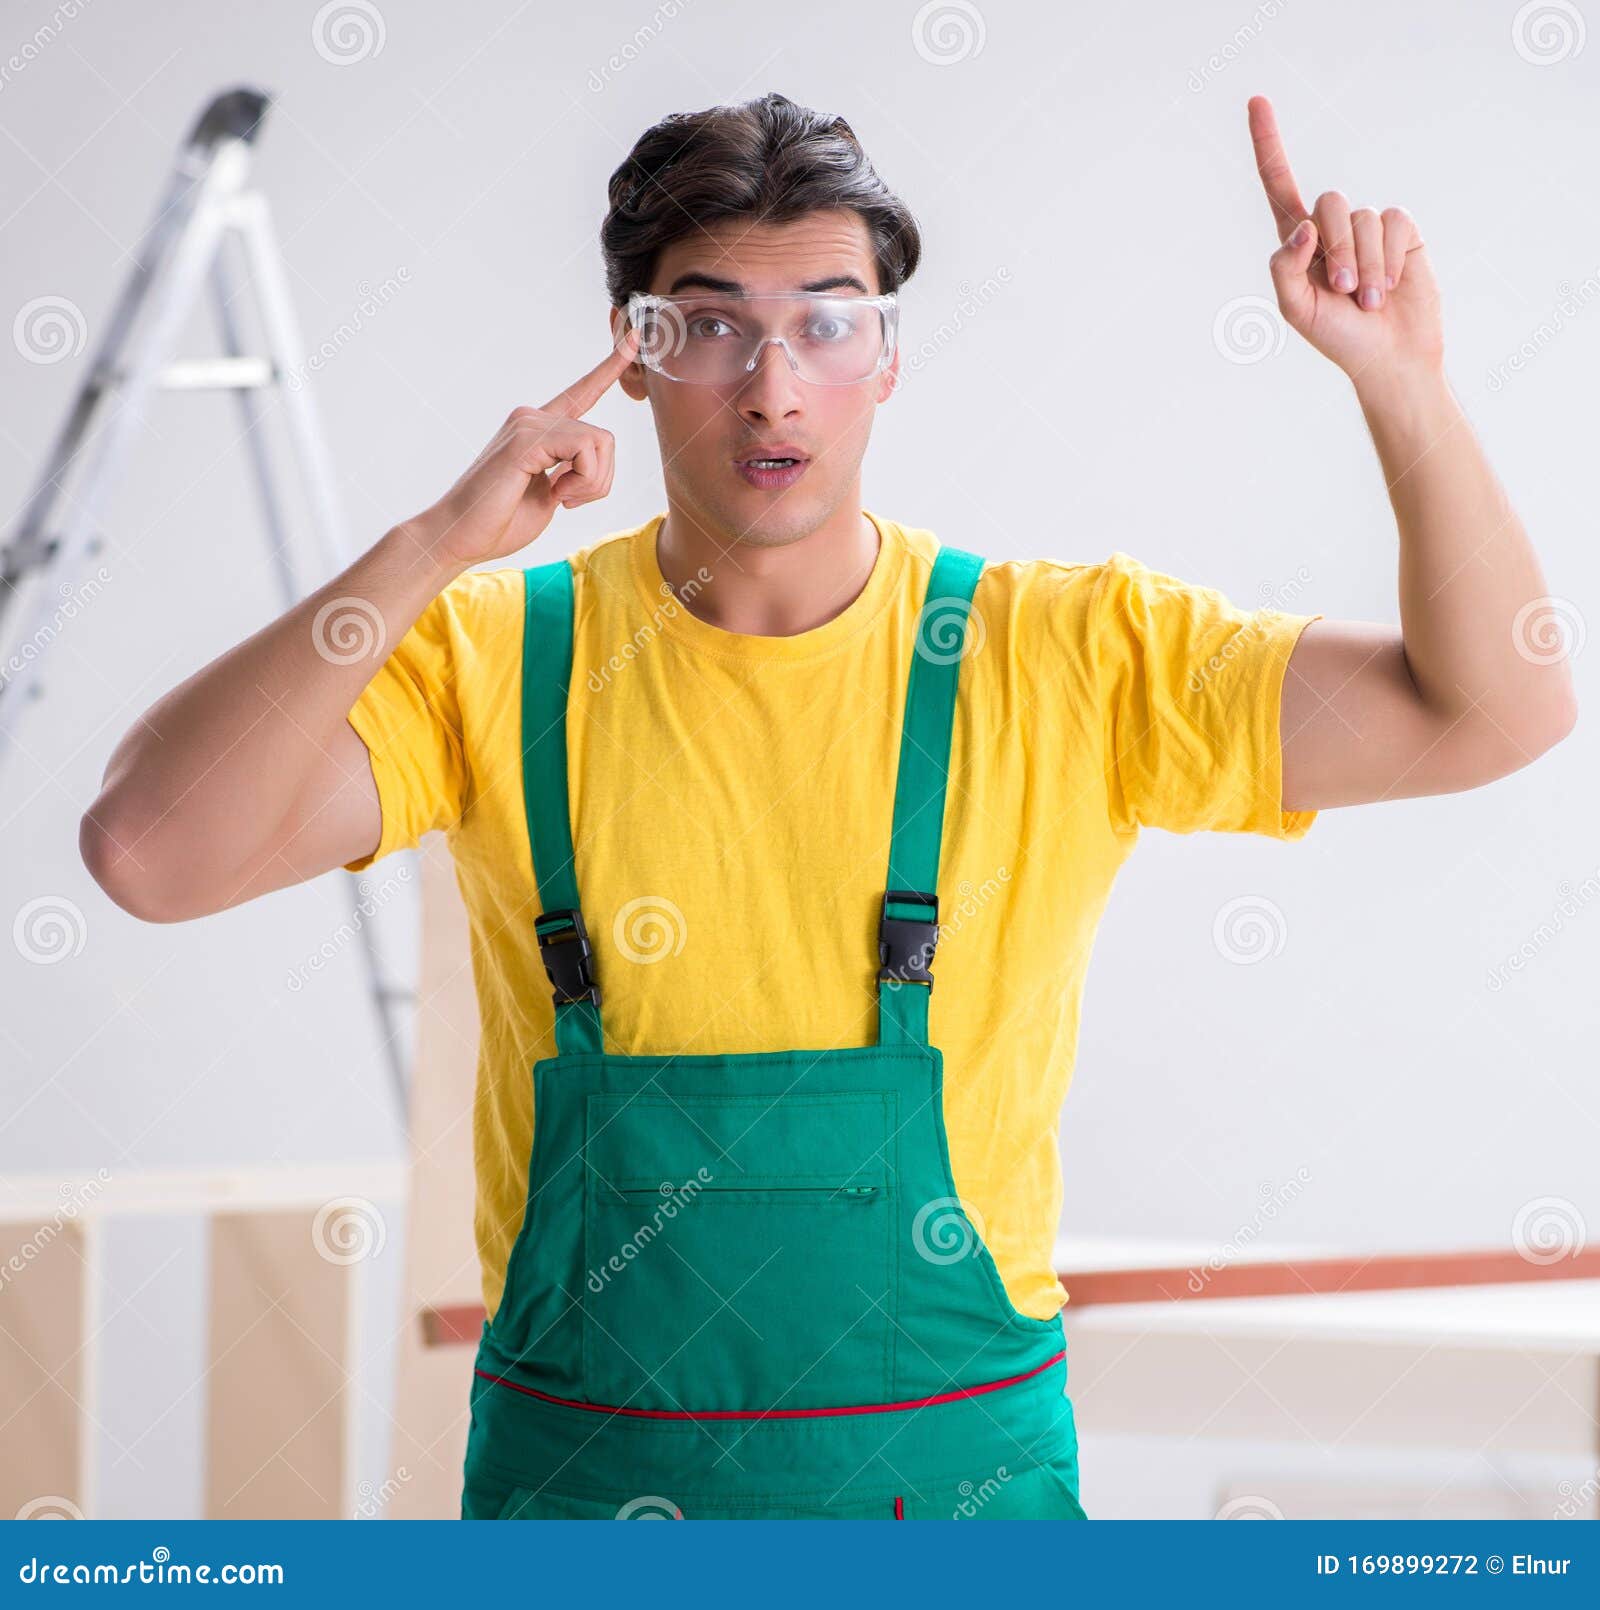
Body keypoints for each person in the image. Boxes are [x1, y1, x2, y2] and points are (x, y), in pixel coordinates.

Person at [79, 92, 1576, 1520]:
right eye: (712, 324)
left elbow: (1499, 708)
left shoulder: (1064, 655)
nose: (773, 384)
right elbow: (149, 847)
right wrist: (431, 543)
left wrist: (1404, 389)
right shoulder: (493, 664)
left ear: (891, 356)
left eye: (828, 324)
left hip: (952, 1508)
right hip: (585, 1510)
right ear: (636, 349)